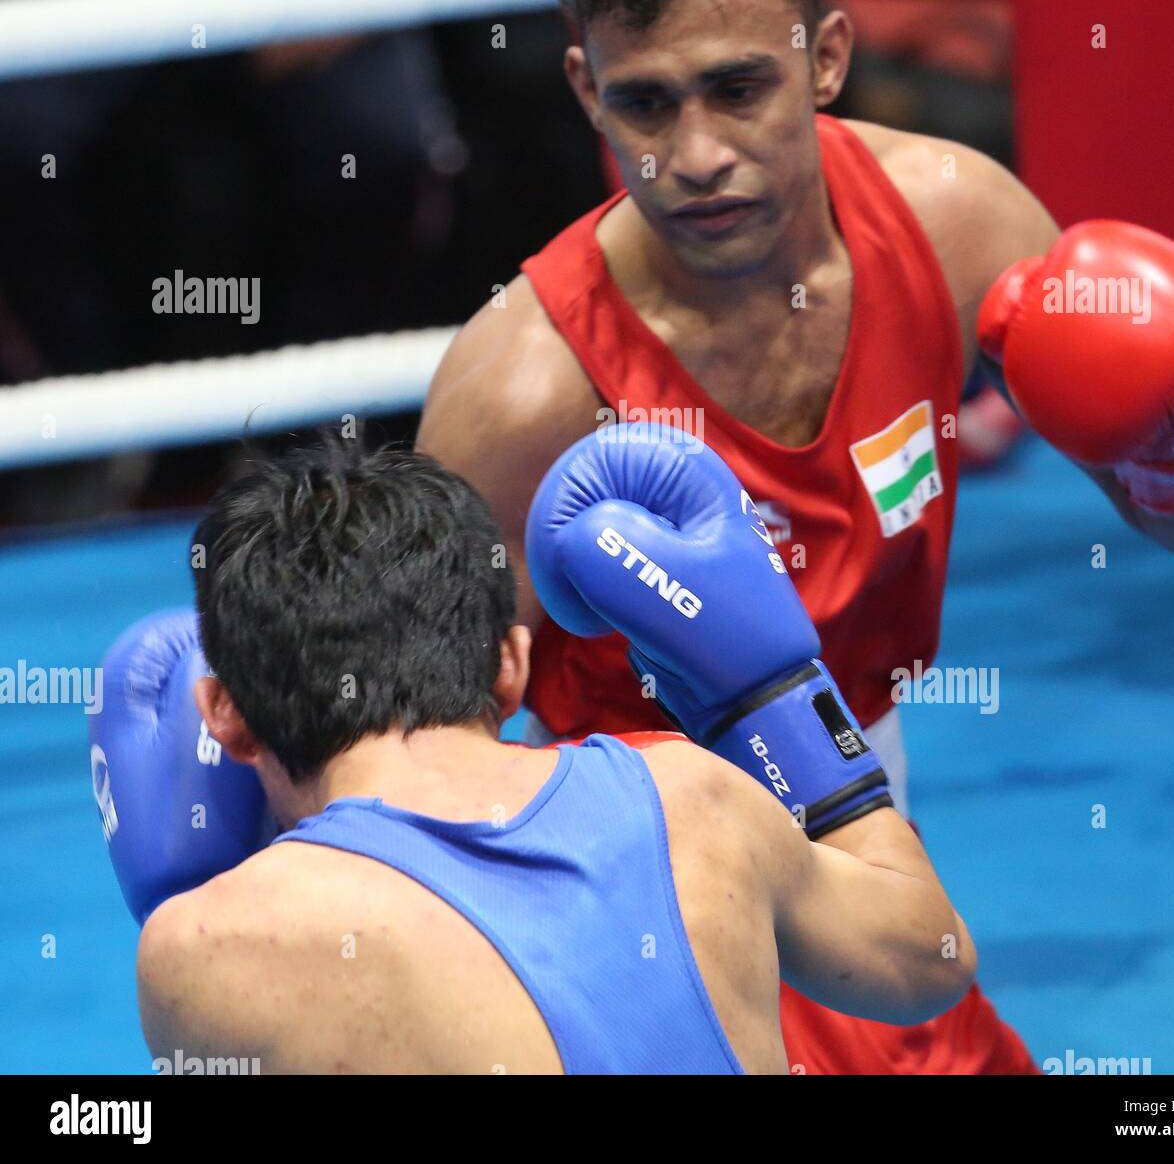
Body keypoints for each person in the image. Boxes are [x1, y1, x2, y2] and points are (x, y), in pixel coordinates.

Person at [416, 0, 1174, 1073]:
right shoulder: (521, 390)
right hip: (640, 844)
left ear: (825, 59)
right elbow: (424, 760)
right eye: (645, 101)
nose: (696, 155)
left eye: (737, 87)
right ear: (588, 93)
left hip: (860, 776)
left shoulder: (962, 225)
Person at [101, 433, 976, 1074]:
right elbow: (928, 959)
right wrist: (775, 690)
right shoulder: (691, 797)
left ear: (223, 715)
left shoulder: (209, 942)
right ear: (512, 665)